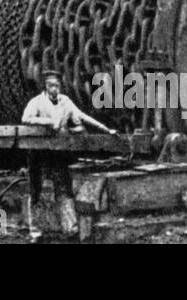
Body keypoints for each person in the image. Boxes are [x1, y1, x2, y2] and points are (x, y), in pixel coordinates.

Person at [20, 68, 116, 239]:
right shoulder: (36, 102)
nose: (54, 89)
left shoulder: (65, 102)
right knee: (36, 190)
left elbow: (83, 116)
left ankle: (70, 228)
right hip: (39, 152)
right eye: (51, 86)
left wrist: (107, 130)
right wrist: (48, 122)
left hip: (58, 153)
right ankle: (35, 230)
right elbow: (26, 118)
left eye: (57, 85)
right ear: (45, 87)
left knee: (64, 190)